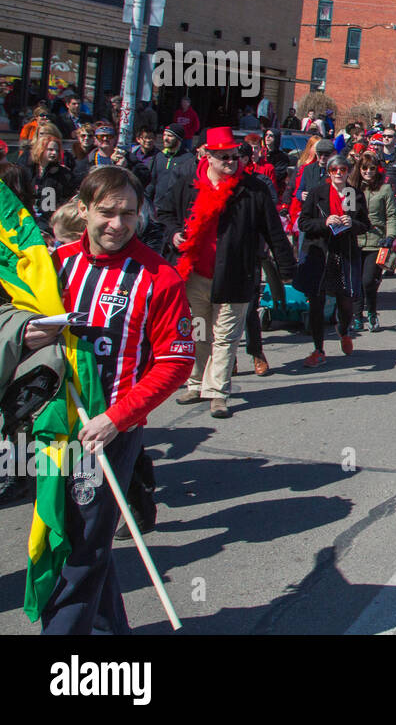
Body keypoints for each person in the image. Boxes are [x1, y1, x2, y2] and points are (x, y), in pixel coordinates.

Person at [32, 167, 194, 632]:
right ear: (81, 210)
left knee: (78, 551)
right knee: (70, 536)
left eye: (128, 213)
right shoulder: (55, 266)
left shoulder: (159, 276)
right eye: (106, 212)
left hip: (109, 433)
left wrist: (117, 418)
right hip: (53, 428)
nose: (117, 224)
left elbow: (174, 361)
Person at [159, 127, 296, 418]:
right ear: (208, 156)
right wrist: (173, 235)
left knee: (226, 336)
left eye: (235, 156)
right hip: (195, 274)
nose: (232, 162)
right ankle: (195, 383)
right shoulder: (188, 184)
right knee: (198, 332)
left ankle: (218, 392)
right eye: (224, 157)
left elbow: (273, 231)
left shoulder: (253, 189)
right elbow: (165, 213)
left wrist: (287, 268)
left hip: (236, 274)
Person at [296, 155, 371, 366]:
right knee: (317, 304)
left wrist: (352, 223)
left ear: (348, 172)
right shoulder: (317, 193)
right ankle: (318, 349)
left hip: (344, 253)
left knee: (346, 302)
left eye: (343, 169)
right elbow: (303, 223)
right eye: (334, 170)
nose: (339, 173)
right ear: (329, 173)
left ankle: (343, 328)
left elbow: (365, 224)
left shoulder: (353, 194)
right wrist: (324, 222)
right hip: (320, 253)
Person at [354, 153, 396, 332]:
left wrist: (390, 236)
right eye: (365, 168)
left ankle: (371, 312)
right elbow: (347, 213)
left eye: (372, 168)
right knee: (355, 282)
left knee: (367, 281)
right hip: (355, 241)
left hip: (376, 241)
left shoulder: (384, 189)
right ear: (359, 169)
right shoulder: (352, 188)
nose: (368, 172)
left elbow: (391, 215)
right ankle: (357, 316)